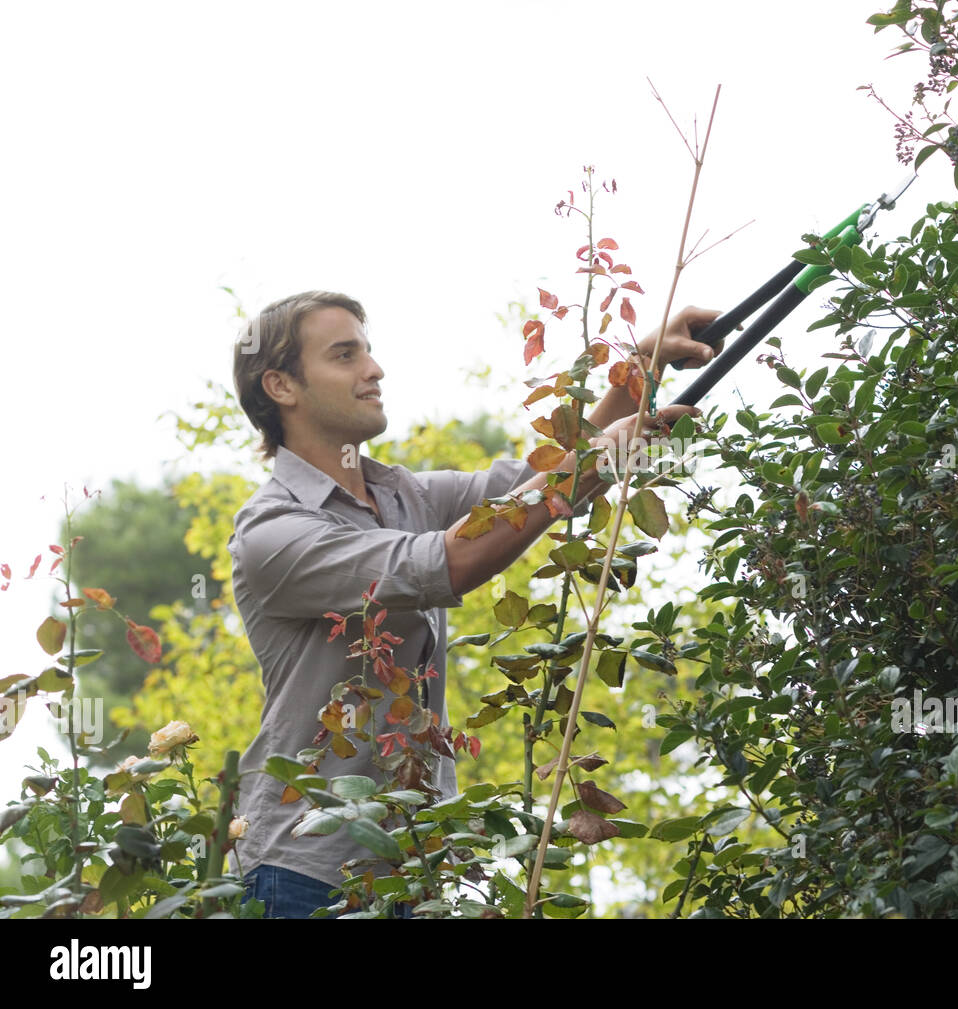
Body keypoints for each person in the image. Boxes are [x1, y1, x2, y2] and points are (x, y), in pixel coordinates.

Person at [226, 290, 719, 918]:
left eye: (368, 351)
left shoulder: (401, 492)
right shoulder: (271, 533)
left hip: (414, 872)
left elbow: (542, 481)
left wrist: (642, 362)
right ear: (281, 386)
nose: (373, 370)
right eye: (344, 355)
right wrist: (594, 464)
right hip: (303, 875)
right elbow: (448, 560)